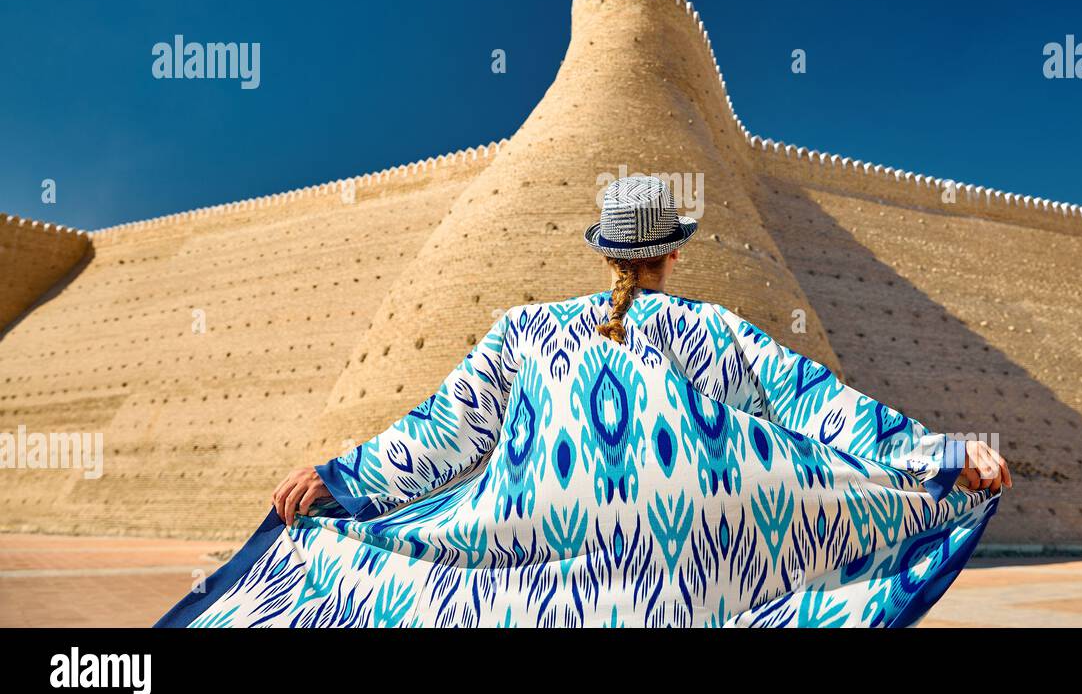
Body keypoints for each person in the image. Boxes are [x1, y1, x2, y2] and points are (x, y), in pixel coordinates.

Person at [157, 175, 1007, 628]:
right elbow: (818, 408)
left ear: (606, 255)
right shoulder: (711, 329)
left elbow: (443, 435)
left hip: (547, 586)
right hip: (685, 587)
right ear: (672, 257)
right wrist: (939, 456)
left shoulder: (526, 329)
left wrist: (339, 479)